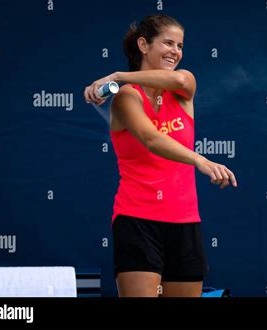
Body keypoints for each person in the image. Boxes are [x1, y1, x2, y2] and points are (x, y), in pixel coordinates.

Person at [83, 15, 237, 297]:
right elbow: (151, 139)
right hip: (137, 218)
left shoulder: (183, 87)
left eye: (179, 45)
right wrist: (200, 159)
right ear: (143, 44)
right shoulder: (127, 97)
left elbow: (178, 78)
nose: (175, 51)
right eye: (168, 43)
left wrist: (117, 75)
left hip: (185, 220)